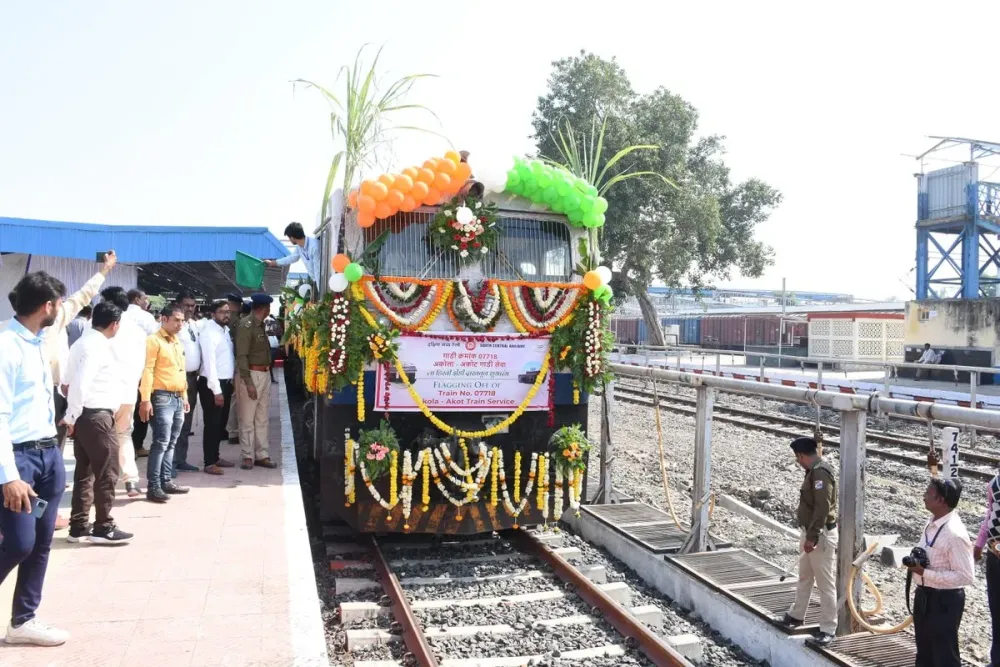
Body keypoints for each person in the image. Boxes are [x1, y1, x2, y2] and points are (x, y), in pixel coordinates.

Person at [0, 271, 70, 646]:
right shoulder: (5, 346)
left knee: (41, 541)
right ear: (47, 306)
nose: (60, 310)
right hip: (18, 461)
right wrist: (7, 475)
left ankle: (23, 620)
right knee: (19, 542)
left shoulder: (39, 341)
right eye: (58, 304)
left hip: (47, 457)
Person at [61, 302, 133, 545]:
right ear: (114, 324)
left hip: (86, 416)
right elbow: (80, 383)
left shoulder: (81, 343)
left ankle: (79, 526)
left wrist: (73, 415)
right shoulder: (97, 346)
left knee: (85, 472)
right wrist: (71, 415)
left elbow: (67, 382)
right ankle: (103, 526)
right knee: (108, 471)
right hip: (96, 416)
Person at [909, 478, 975, 667]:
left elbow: (965, 576)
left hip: (944, 601)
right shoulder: (932, 522)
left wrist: (925, 573)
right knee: (924, 654)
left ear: (940, 501)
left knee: (944, 656)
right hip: (925, 597)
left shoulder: (955, 534)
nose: (924, 496)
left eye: (928, 493)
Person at [781, 436, 838, 645]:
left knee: (825, 583)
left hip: (820, 534)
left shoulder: (820, 473)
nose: (797, 462)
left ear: (802, 455)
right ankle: (797, 614)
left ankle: (829, 627)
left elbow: (822, 508)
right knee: (805, 576)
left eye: (798, 458)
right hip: (811, 532)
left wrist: (812, 536)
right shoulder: (814, 472)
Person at [138, 304, 191, 503]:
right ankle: (153, 486)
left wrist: (184, 395)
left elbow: (181, 370)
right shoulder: (154, 341)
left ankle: (166, 480)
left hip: (177, 396)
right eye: (176, 320)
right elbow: (147, 370)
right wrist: (145, 399)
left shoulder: (177, 342)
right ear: (164, 319)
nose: (180, 324)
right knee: (161, 441)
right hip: (161, 397)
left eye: (182, 320)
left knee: (171, 442)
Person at [100, 287, 147, 499]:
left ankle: (103, 484)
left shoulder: (103, 328)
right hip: (128, 390)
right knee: (124, 435)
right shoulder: (137, 330)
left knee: (102, 439)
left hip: (104, 393)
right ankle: (131, 482)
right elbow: (142, 363)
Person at [235, 294, 277, 470]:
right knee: (247, 417)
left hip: (264, 374)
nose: (269, 311)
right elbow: (242, 355)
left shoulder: (259, 325)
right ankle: (247, 455)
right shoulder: (247, 325)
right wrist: (248, 381)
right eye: (268, 308)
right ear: (264, 308)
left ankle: (262, 454)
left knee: (261, 418)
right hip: (251, 374)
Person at [198, 300, 236, 475]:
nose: (226, 315)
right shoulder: (209, 333)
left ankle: (216, 456)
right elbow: (210, 363)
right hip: (213, 384)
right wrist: (217, 390)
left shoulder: (225, 331)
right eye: (222, 312)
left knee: (220, 423)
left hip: (225, 383)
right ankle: (209, 462)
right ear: (213, 314)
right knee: (212, 424)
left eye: (227, 312)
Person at [172, 291, 201, 475]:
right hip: (177, 379)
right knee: (174, 421)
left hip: (192, 379)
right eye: (187, 305)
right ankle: (171, 464)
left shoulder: (193, 325)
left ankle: (181, 459)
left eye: (192, 305)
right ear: (179, 305)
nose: (190, 308)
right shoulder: (173, 326)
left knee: (186, 421)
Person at [975, 469, 1000, 667]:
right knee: (996, 607)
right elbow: (989, 515)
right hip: (995, 554)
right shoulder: (994, 483)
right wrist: (979, 544)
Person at [225, 292, 244, 445]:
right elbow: (239, 345)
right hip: (234, 361)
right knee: (235, 397)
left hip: (226, 363)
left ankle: (227, 429)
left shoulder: (223, 320)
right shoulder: (236, 321)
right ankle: (233, 431)